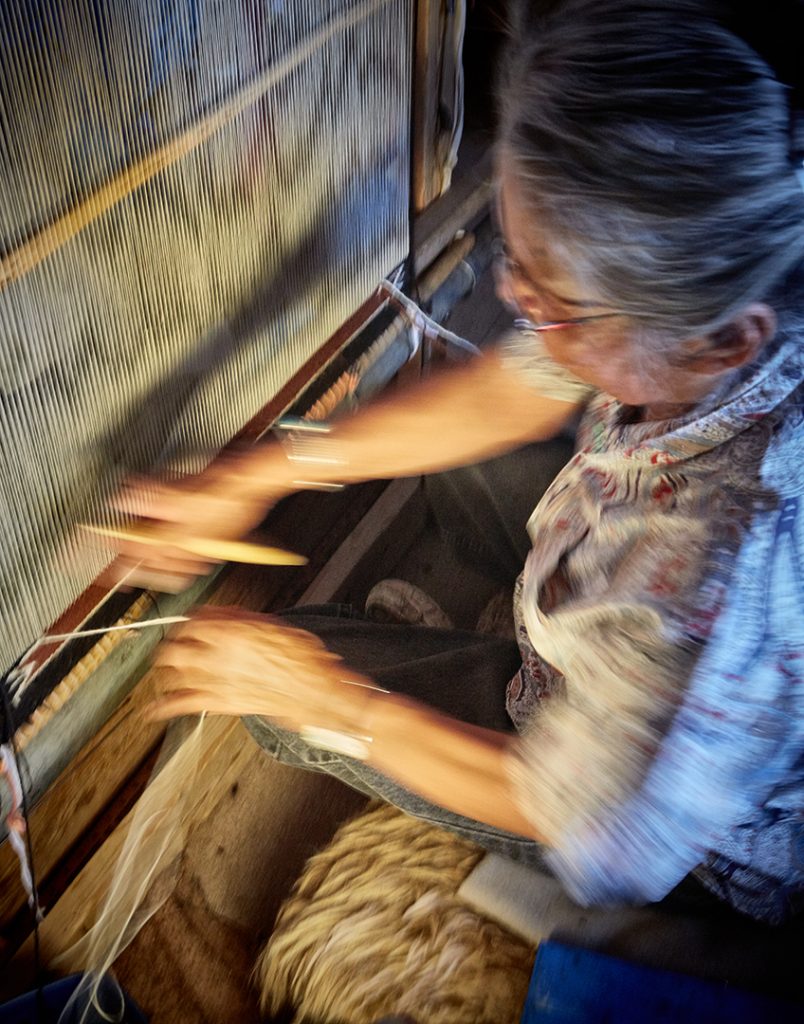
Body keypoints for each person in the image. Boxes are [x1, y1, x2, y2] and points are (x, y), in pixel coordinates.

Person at [112, 0, 804, 924]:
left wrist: (323, 694)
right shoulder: (735, 252)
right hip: (631, 614)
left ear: (726, 344)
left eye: (551, 300)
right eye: (512, 260)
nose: (514, 302)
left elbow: (587, 816)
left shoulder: (725, 566)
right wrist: (252, 475)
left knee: (278, 697)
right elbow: (515, 387)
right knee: (455, 451)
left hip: (666, 837)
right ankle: (511, 639)